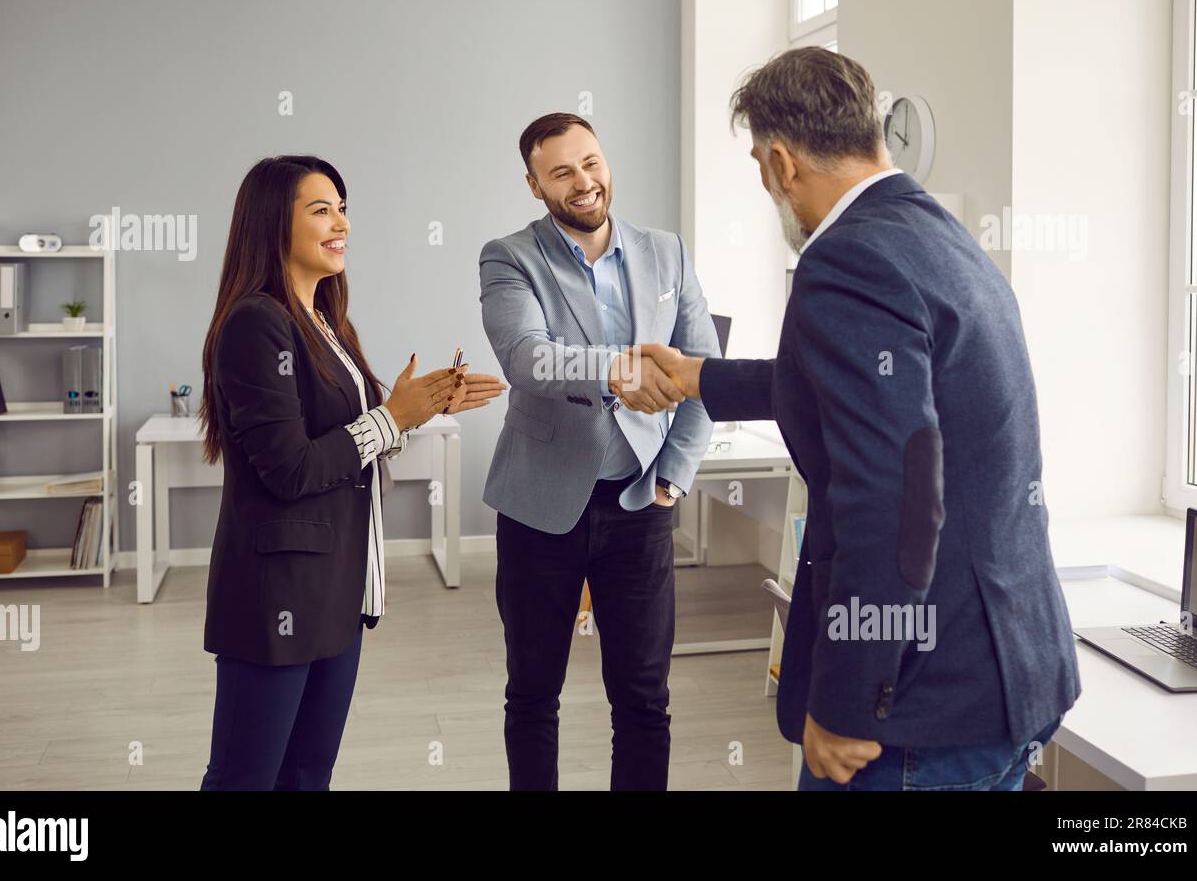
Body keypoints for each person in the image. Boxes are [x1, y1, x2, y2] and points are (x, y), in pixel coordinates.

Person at [634, 48, 1081, 790]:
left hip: (917, 710)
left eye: (757, 166)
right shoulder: (937, 232)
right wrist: (697, 377)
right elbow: (872, 388)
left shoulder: (844, 260)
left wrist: (845, 705)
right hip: (1013, 668)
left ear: (781, 162)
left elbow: (893, 503)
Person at [197, 155, 505, 790]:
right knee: (243, 780)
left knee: (308, 774)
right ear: (270, 224)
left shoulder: (325, 322)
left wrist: (413, 410)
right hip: (278, 597)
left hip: (337, 591)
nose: (341, 224)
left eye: (343, 209)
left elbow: (344, 449)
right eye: (321, 210)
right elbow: (290, 469)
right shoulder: (256, 322)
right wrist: (393, 417)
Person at [479, 113, 720, 790]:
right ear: (535, 185)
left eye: (591, 162)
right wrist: (624, 370)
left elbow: (706, 374)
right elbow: (528, 359)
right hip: (539, 505)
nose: (584, 182)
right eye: (562, 172)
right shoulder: (509, 256)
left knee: (644, 699)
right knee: (532, 693)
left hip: (641, 504)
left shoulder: (666, 252)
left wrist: (672, 477)